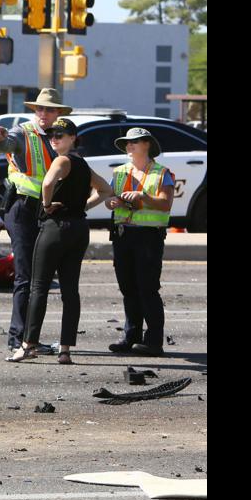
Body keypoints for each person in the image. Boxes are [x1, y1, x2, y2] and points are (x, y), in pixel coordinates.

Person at [9, 119, 113, 364]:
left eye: (61, 135)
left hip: (55, 228)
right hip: (79, 228)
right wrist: (83, 206)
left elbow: (47, 182)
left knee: (39, 287)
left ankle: (28, 345)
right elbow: (106, 189)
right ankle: (65, 349)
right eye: (53, 135)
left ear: (73, 138)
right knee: (70, 291)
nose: (55, 138)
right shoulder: (83, 164)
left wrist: (46, 205)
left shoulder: (61, 160)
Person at [0, 88, 70, 351]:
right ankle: (18, 340)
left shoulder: (58, 139)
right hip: (22, 208)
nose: (43, 114)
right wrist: (0, 139)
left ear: (58, 113)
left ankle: (30, 339)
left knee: (41, 277)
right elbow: (5, 144)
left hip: (46, 211)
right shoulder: (22, 132)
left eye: (49, 109)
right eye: (40, 109)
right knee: (25, 275)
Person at [106, 126, 176, 356]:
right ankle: (131, 336)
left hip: (149, 236)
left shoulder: (161, 172)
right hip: (123, 234)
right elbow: (110, 200)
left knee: (147, 288)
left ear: (147, 144)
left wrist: (143, 197)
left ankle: (154, 341)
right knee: (128, 288)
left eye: (133, 142)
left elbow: (166, 204)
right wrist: (113, 203)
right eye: (127, 143)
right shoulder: (120, 172)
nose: (129, 145)